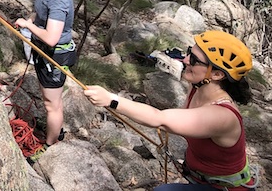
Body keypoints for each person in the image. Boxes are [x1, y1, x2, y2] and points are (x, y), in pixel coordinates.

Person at [84, 31, 257, 190]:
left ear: (217, 75)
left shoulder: (222, 116)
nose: (186, 60)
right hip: (201, 179)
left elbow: (160, 119)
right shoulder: (197, 87)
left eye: (194, 60)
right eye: (189, 52)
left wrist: (111, 100)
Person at [15, 0, 76, 147]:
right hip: (46, 52)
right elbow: (42, 14)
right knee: (51, 102)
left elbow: (51, 37)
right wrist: (31, 20)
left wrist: (28, 26)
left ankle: (51, 144)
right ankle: (55, 132)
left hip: (54, 55)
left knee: (52, 105)